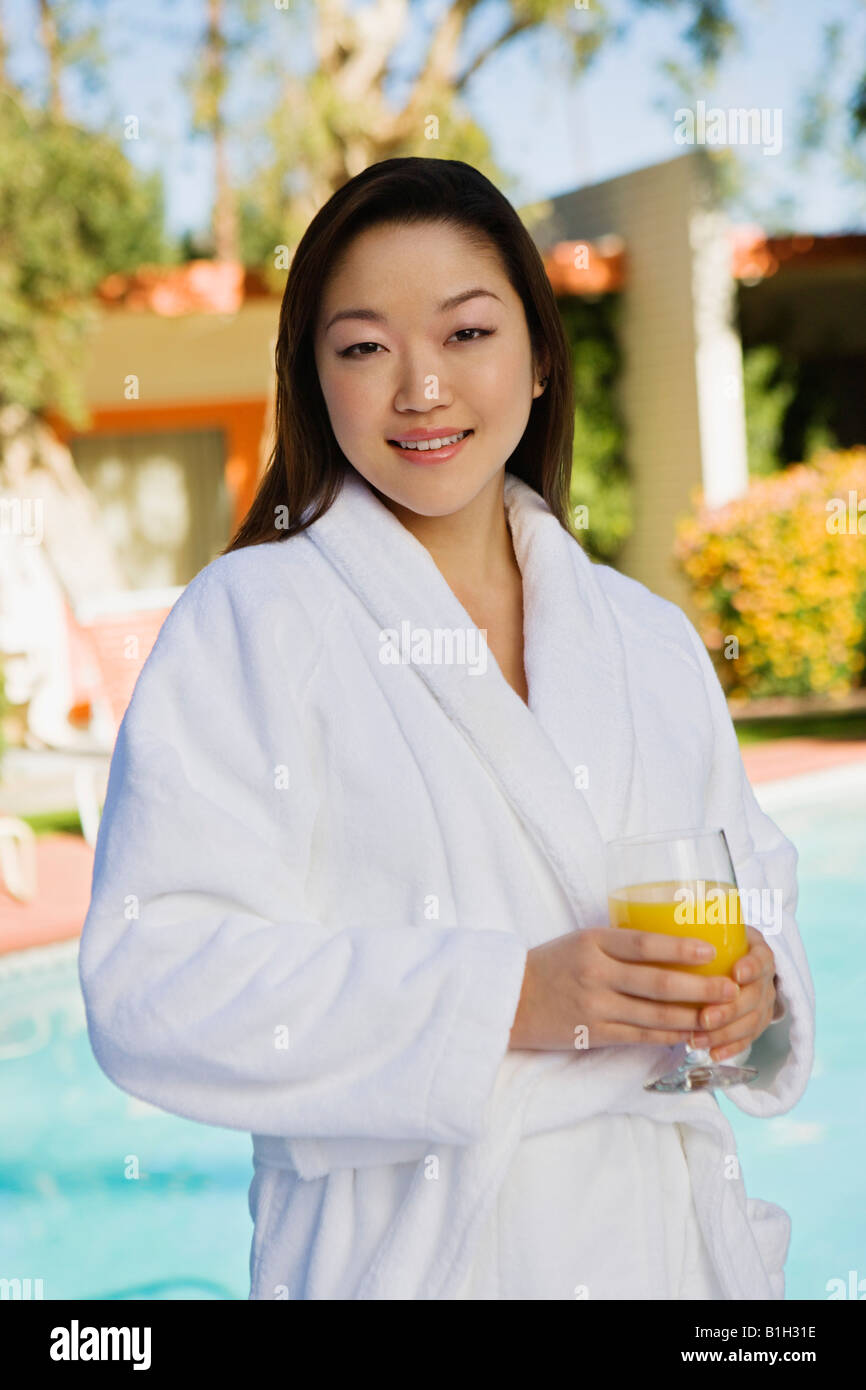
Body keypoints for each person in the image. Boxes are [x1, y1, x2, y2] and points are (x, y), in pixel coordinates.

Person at [78, 157, 814, 1301]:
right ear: (312, 379)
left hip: (672, 1262)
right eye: (363, 347)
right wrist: (505, 1001)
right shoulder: (250, 622)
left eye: (466, 334)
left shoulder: (644, 636)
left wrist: (756, 994)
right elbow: (150, 982)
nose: (419, 387)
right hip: (424, 1265)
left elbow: (751, 885)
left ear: (535, 360)